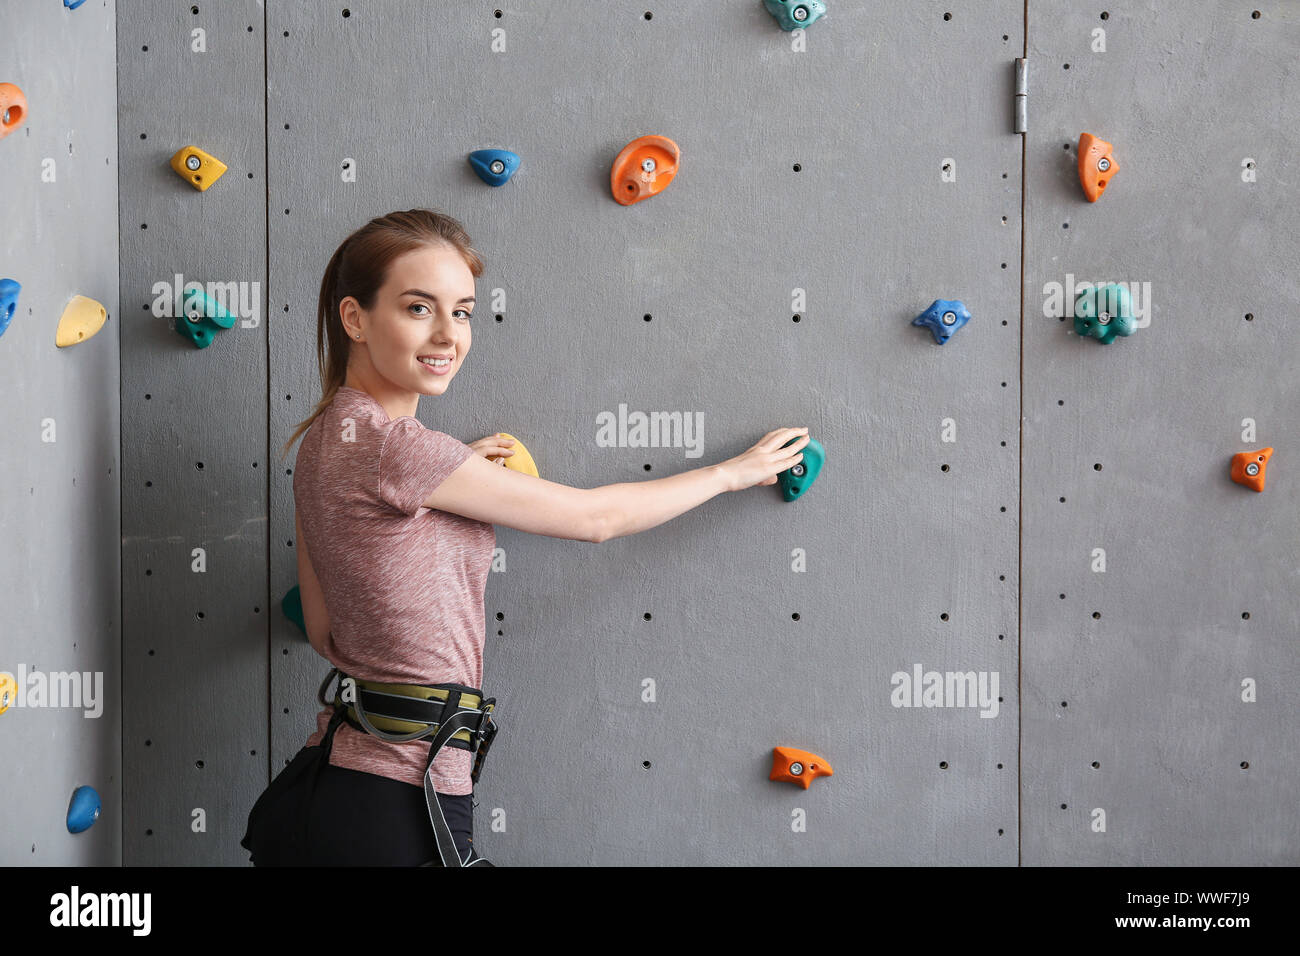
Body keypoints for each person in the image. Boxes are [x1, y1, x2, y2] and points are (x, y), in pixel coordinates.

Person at [240, 208, 809, 866]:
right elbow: (596, 520)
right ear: (355, 318)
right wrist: (730, 473)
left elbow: (324, 630)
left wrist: (454, 477)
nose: (448, 334)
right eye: (419, 308)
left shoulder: (326, 440)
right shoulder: (400, 450)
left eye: (463, 311)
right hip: (397, 802)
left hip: (331, 790)